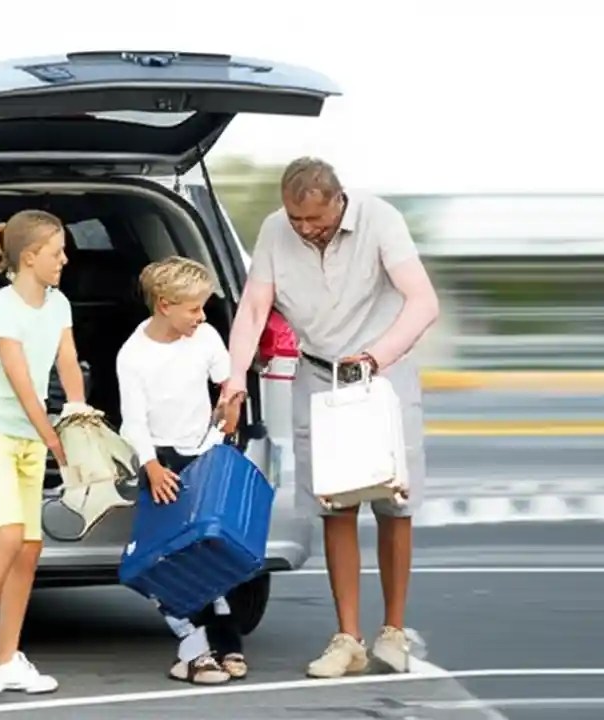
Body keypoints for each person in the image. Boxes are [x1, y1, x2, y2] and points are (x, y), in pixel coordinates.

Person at [219, 157, 441, 678]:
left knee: (394, 502)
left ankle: (392, 631)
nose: (305, 229)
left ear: (338, 200)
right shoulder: (277, 231)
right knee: (335, 505)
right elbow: (254, 308)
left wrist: (376, 355)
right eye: (295, 219)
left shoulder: (380, 219)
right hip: (318, 377)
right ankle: (348, 638)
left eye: (314, 220)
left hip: (382, 374)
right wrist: (233, 379)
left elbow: (423, 301)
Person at [0, 209, 88, 697]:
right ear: (30, 258)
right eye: (56, 253)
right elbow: (21, 379)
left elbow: (66, 361)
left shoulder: (59, 303)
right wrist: (52, 436)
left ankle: (8, 658)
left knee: (29, 548)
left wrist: (79, 414)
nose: (65, 260)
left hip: (27, 437)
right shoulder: (2, 310)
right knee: (7, 538)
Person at [115, 256, 248, 685]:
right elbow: (134, 422)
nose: (202, 316)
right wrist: (151, 467)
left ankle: (221, 639)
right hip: (163, 461)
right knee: (168, 559)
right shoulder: (134, 356)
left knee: (210, 552)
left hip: (203, 454)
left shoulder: (205, 336)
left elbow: (228, 383)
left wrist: (231, 405)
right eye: (193, 308)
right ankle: (194, 648)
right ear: (164, 304)